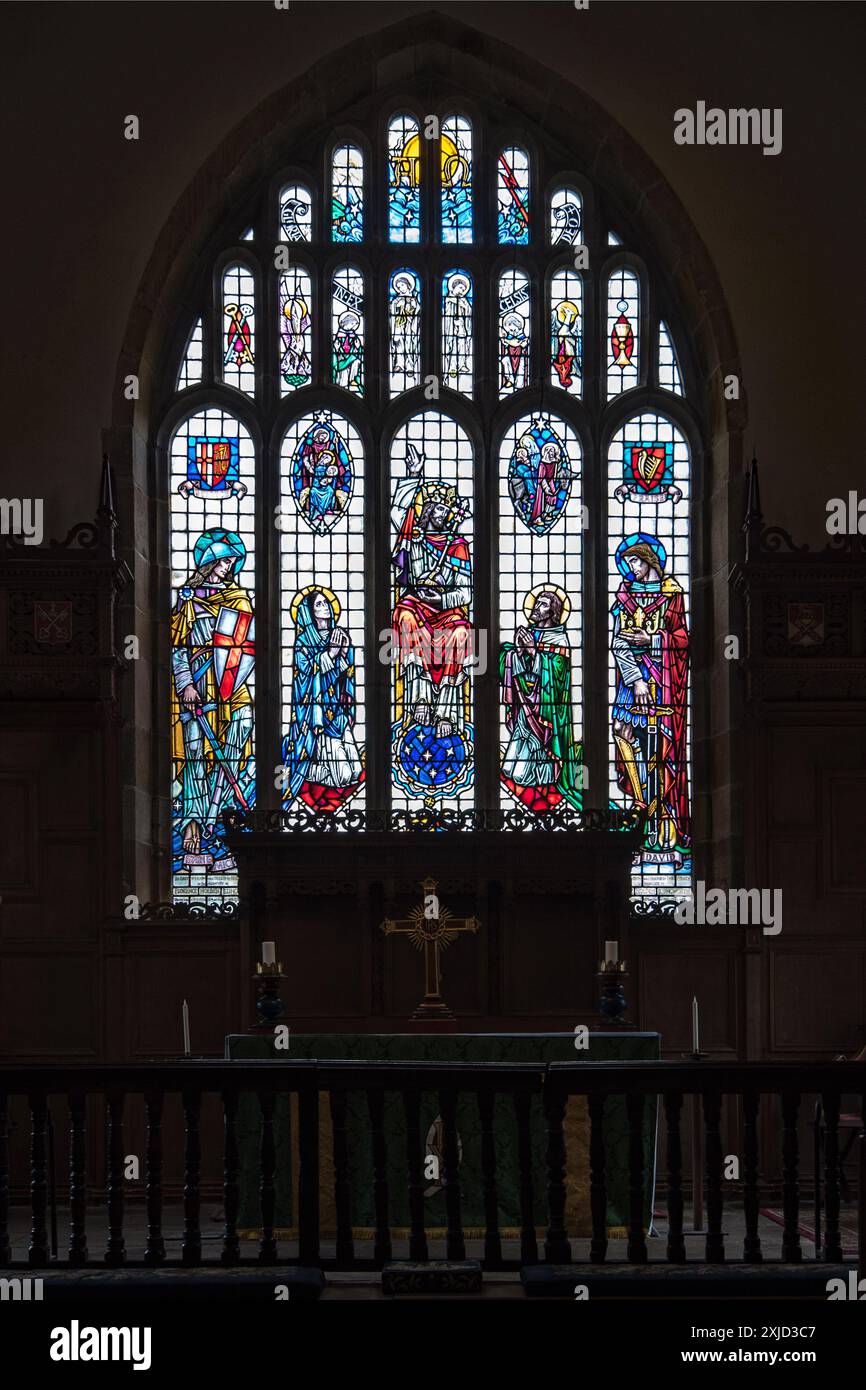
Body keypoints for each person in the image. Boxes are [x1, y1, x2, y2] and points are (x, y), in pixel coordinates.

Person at [171, 528, 254, 868]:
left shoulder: (238, 598)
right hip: (197, 690)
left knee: (236, 742)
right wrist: (186, 685)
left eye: (233, 562)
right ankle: (192, 831)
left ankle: (222, 827)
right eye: (224, 561)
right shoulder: (188, 599)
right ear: (209, 561)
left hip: (231, 688)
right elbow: (178, 648)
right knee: (194, 754)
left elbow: (246, 647)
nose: (229, 568)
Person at [611, 539, 690, 861]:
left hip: (665, 684)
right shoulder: (624, 597)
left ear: (651, 562)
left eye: (636, 562)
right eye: (628, 563)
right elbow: (617, 641)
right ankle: (641, 806)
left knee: (660, 749)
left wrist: (654, 640)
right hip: (633, 682)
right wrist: (637, 679)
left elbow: (683, 639)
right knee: (623, 732)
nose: (632, 568)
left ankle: (663, 830)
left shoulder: (672, 594)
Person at [390, 443, 472, 740]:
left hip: (447, 612)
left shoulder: (458, 546)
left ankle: (446, 712)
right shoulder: (414, 539)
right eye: (437, 507)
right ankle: (420, 700)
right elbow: (398, 514)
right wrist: (412, 476)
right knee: (405, 617)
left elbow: (466, 592)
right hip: (417, 606)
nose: (442, 513)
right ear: (427, 511)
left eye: (446, 509)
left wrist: (443, 598)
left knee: (462, 634)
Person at [500, 586, 583, 811]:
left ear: (553, 611)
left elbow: (558, 671)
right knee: (517, 756)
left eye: (543, 604)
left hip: (548, 708)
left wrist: (535, 653)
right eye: (537, 603)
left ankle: (547, 776)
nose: (537, 607)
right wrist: (515, 652)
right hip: (525, 701)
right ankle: (521, 770)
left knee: (541, 742)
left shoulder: (560, 638)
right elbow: (507, 660)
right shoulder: (529, 632)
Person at [283, 588, 362, 810]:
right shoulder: (303, 641)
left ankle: (313, 767)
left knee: (355, 773)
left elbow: (344, 676)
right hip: (317, 718)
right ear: (309, 612)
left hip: (337, 713)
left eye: (326, 603)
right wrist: (330, 654)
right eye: (318, 604)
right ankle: (306, 767)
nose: (325, 607)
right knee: (343, 777)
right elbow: (306, 678)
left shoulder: (340, 635)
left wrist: (345, 653)